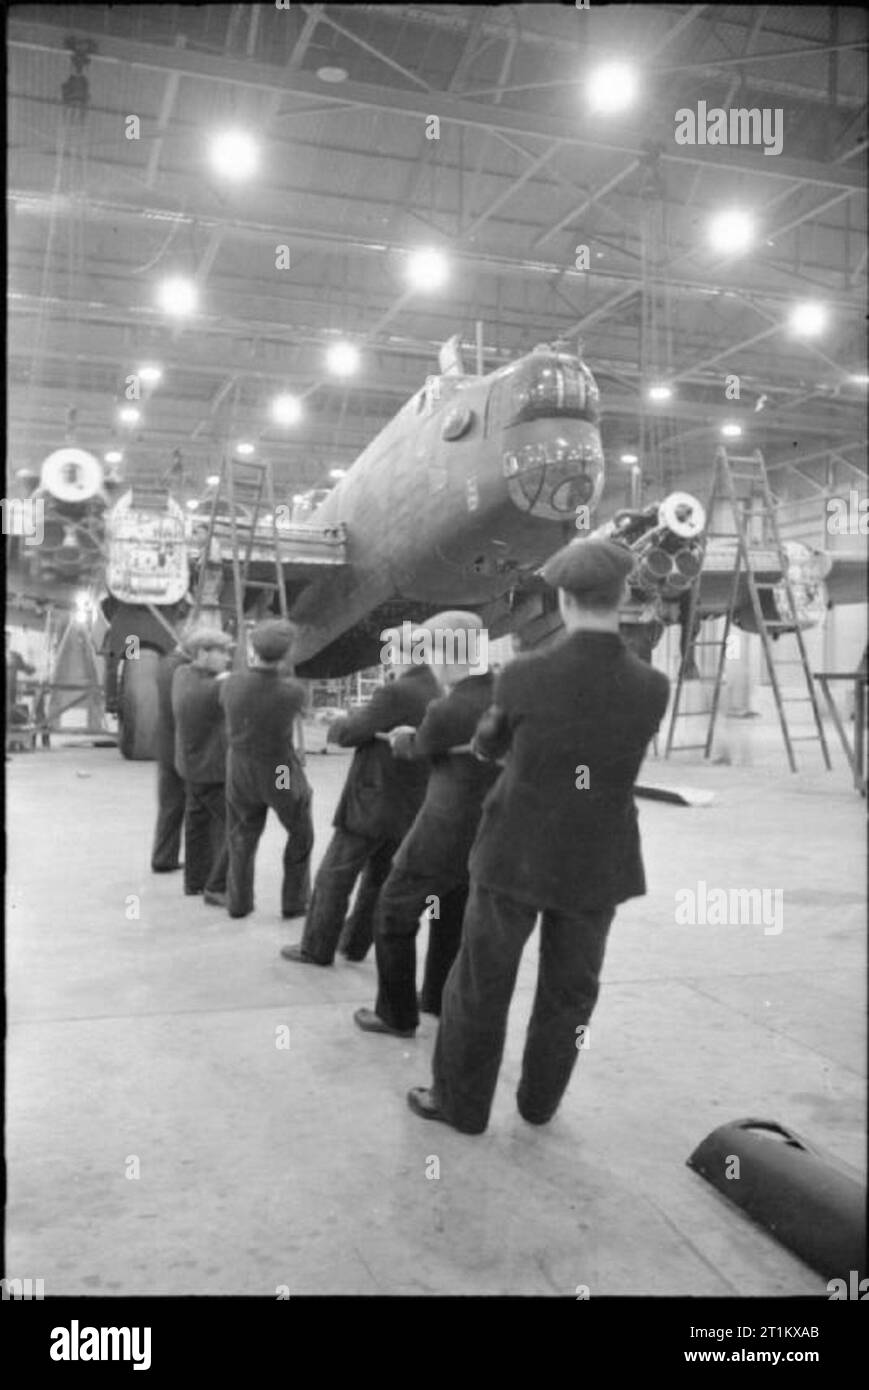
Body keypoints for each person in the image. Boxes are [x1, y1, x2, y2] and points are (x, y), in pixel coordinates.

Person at [407, 536, 670, 1134]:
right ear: (622, 595)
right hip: (599, 861)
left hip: (514, 856)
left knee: (481, 982)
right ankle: (539, 1103)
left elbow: (486, 746)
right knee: (571, 993)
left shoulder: (523, 677)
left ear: (562, 599)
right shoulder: (652, 686)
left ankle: (462, 1106)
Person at [353, 611, 500, 1037]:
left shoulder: (448, 706)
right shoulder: (502, 694)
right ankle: (435, 997)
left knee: (393, 913)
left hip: (442, 828)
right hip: (483, 830)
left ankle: (395, 1014)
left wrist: (403, 739)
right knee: (450, 914)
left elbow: (419, 746)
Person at [281, 630, 440, 967]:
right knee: (378, 879)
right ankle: (353, 944)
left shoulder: (396, 691)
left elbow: (352, 734)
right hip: (409, 802)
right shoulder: (435, 689)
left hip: (372, 798)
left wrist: (338, 722)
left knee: (335, 875)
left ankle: (317, 947)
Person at [220, 619, 313, 920]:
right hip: (278, 771)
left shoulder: (231, 684)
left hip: (240, 767)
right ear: (287, 654)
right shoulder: (293, 692)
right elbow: (298, 705)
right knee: (300, 829)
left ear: (252, 649)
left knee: (241, 833)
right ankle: (294, 901)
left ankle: (238, 902)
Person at [171, 627, 234, 903]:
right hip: (207, 769)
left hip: (192, 765)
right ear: (203, 653)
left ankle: (195, 882)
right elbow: (204, 699)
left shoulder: (183, 675)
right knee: (239, 825)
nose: (226, 659)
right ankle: (216, 886)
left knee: (197, 822)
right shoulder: (203, 685)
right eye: (222, 653)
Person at [151, 635, 191, 873]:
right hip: (179, 745)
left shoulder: (166, 663)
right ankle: (170, 859)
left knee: (170, 805)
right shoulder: (181, 670)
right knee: (180, 805)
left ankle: (164, 857)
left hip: (166, 743)